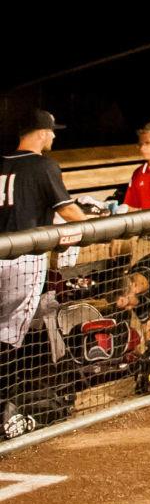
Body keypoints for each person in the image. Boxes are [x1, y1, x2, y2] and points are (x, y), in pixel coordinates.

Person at [0, 112, 88, 354]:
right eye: (51, 130)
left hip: (1, 248)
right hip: (24, 258)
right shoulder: (43, 165)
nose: (53, 135)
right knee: (10, 331)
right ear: (41, 133)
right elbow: (68, 211)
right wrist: (95, 225)